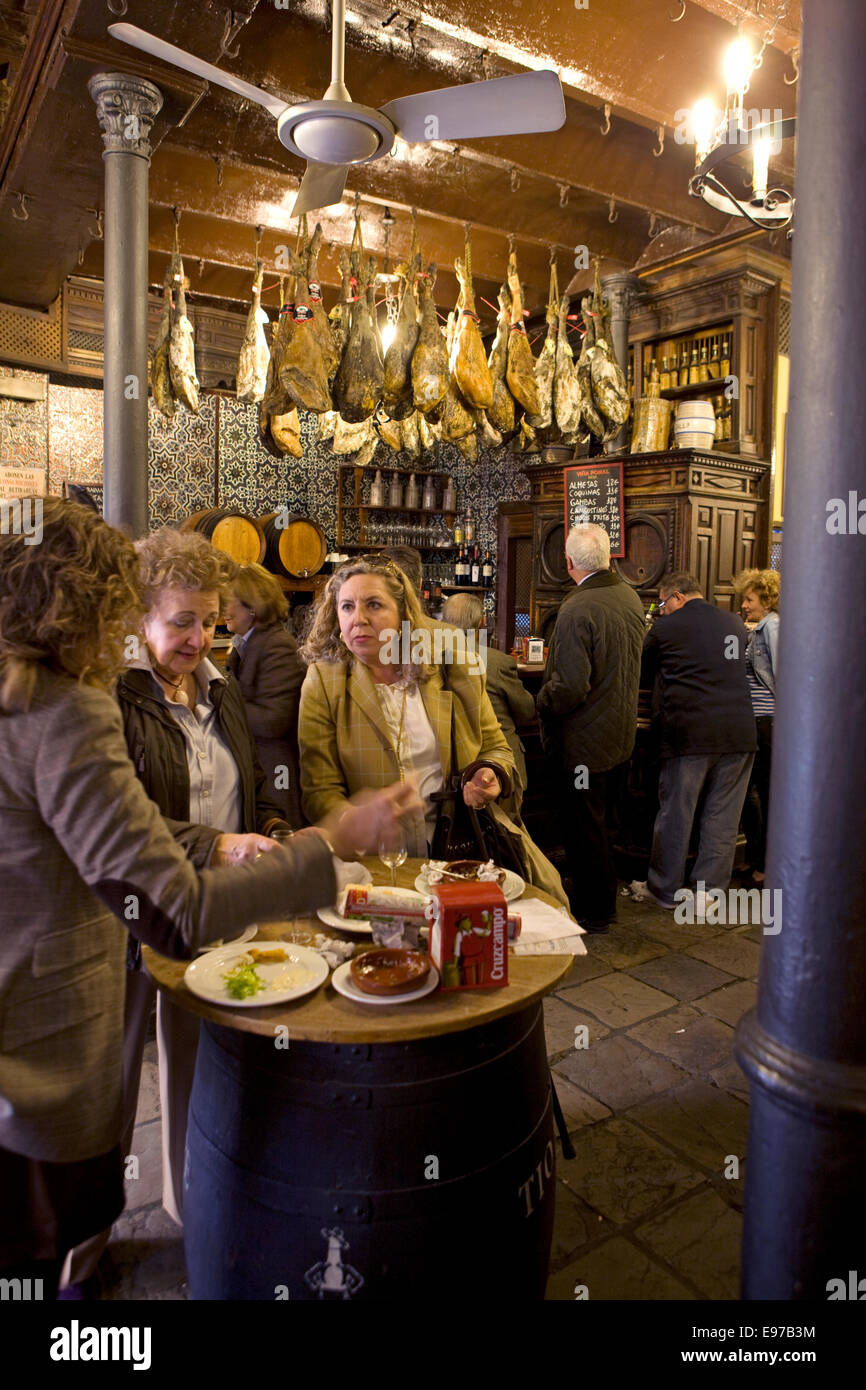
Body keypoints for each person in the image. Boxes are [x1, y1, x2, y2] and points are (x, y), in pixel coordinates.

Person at [0, 499, 417, 1296]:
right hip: (38, 1054)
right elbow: (175, 905)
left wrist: (254, 830)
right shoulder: (73, 707)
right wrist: (326, 843)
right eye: (128, 612)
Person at [298, 554, 567, 904]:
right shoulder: (324, 681)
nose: (357, 619)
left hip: (457, 851)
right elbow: (318, 790)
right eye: (346, 607)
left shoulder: (449, 662)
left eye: (373, 605)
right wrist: (356, 820)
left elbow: (496, 747)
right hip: (373, 864)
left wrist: (490, 773)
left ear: (404, 615)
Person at [536, 523, 646, 932]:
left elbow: (568, 686)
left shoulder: (577, 608)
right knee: (603, 822)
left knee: (584, 827)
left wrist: (539, 703)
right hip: (620, 735)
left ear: (568, 564)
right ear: (608, 558)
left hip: (583, 743)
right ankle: (602, 898)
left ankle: (595, 908)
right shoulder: (629, 596)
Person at [639, 571, 757, 912]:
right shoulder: (734, 623)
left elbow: (642, 673)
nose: (661, 610)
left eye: (663, 603)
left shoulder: (664, 629)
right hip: (739, 731)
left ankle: (663, 890)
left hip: (689, 731)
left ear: (677, 596)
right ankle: (707, 895)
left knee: (677, 812)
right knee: (723, 815)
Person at [224, 562, 305, 828]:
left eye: (230, 600)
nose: (224, 608)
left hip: (275, 771)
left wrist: (222, 705)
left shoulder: (277, 645)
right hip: (257, 763)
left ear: (252, 606)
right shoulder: (246, 643)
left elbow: (274, 720)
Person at [441, 591, 536, 811]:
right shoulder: (497, 662)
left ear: (441, 622)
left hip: (451, 773)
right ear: (482, 623)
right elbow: (526, 711)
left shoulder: (430, 660)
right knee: (505, 835)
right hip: (499, 770)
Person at [734, 567, 781, 886]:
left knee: (759, 792)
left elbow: (783, 675)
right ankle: (756, 859)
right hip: (760, 721)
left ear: (766, 600)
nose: (744, 605)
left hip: (767, 721)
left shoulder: (772, 629)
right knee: (752, 792)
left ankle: (764, 865)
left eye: (749, 599)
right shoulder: (763, 627)